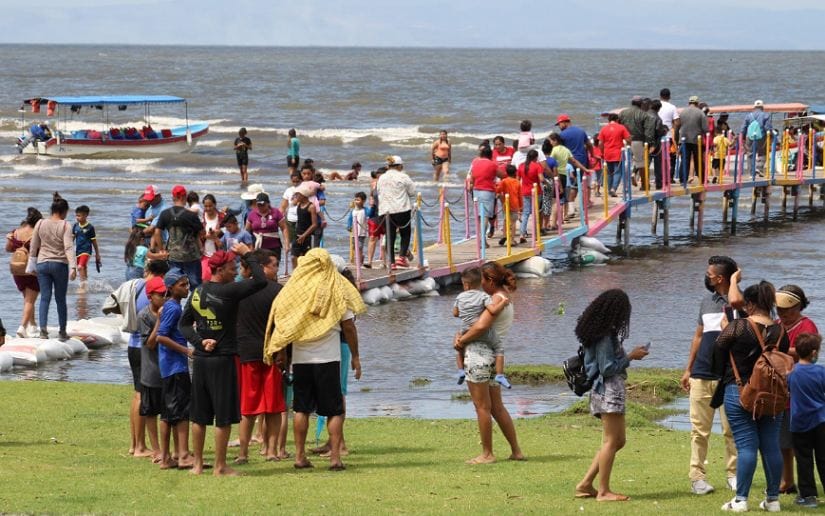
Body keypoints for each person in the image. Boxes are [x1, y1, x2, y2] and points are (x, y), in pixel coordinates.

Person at [263, 248, 365, 471]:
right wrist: (356, 356)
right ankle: (335, 458)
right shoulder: (336, 287)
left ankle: (299, 457)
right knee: (334, 410)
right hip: (328, 359)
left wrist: (281, 352)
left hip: (301, 359)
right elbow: (348, 326)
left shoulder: (293, 291)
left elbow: (282, 322)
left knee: (301, 409)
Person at [179, 243, 266, 476]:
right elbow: (260, 280)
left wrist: (199, 342)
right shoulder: (229, 292)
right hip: (223, 359)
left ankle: (197, 466)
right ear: (219, 270)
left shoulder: (198, 291)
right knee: (223, 416)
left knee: (199, 415)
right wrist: (248, 253)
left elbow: (184, 324)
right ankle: (219, 466)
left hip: (201, 361)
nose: (236, 272)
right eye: (232, 268)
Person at [713, 281, 791, 512]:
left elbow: (717, 352)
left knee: (746, 446)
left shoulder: (738, 327)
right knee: (770, 446)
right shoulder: (781, 331)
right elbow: (779, 359)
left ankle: (740, 500)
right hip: (772, 394)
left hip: (739, 391)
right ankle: (773, 500)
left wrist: (725, 329)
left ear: (751, 304)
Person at [574, 289, 649, 501]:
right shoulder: (604, 335)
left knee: (619, 440)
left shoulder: (598, 332)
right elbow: (607, 368)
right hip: (608, 389)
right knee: (611, 441)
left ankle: (586, 484)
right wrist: (631, 357)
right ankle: (603, 491)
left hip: (605, 390)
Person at [680, 256, 742, 495]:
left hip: (728, 376)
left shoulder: (741, 302)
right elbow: (698, 336)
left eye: (709, 274)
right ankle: (697, 478)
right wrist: (688, 369)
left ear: (720, 278)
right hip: (701, 374)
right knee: (699, 431)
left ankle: (733, 475)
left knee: (732, 430)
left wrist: (736, 281)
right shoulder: (706, 301)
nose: (706, 277)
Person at [454, 262, 523, 464]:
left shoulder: (494, 299)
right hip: (494, 354)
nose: (481, 285)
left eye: (483, 281)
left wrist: (461, 341)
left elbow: (481, 325)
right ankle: (516, 450)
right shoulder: (504, 298)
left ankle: (487, 453)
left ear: (490, 280)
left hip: (479, 354)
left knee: (482, 407)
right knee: (496, 407)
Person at [231, 249, 284, 464]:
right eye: (274, 266)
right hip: (271, 352)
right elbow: (283, 326)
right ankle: (271, 450)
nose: (277, 269)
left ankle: (243, 453)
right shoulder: (279, 291)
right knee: (273, 406)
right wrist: (282, 351)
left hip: (246, 352)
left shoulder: (239, 289)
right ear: (262, 267)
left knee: (248, 408)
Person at [776, 285, 819, 495]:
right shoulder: (776, 325)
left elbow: (808, 353)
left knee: (802, 444)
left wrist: (777, 349)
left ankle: (802, 486)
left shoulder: (807, 325)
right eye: (779, 310)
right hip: (779, 391)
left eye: (787, 311)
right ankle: (788, 480)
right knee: (783, 441)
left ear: (799, 307)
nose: (783, 314)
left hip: (798, 394)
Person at [154, 270, 194, 470]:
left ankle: (169, 455)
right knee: (181, 411)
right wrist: (186, 350)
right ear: (171, 288)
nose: (186, 288)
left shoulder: (172, 306)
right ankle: (183, 454)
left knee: (169, 413)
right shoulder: (173, 308)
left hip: (169, 366)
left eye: (187, 284)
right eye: (182, 285)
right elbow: (161, 336)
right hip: (175, 366)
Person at [29, 192, 76, 341]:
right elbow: (68, 247)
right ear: (64, 211)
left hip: (42, 264)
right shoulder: (65, 225)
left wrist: (32, 264)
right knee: (60, 299)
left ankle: (43, 331)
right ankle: (62, 332)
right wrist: (73, 267)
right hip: (59, 265)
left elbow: (34, 245)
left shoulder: (40, 223)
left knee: (45, 298)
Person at [453, 267, 510, 388]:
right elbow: (493, 311)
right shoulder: (484, 296)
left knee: (458, 349)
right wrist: (503, 303)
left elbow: (455, 313)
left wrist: (461, 339)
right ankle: (500, 375)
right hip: (483, 335)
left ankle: (460, 371)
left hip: (465, 329)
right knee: (499, 348)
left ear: (466, 285)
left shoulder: (459, 297)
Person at [787, 333, 825, 508]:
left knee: (804, 460)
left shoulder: (792, 373)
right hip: (821, 421)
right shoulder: (821, 371)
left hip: (799, 423)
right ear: (813, 353)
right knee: (823, 458)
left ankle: (808, 496)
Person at [136, 273, 168, 462]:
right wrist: (159, 322)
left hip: (168, 369)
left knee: (169, 411)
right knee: (150, 412)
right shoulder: (145, 315)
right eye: (160, 294)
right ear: (150, 296)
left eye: (166, 293)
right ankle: (156, 449)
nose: (164, 297)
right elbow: (150, 343)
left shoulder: (170, 310)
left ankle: (166, 449)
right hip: (151, 371)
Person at [152, 185, 204, 291]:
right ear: (184, 197)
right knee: (196, 287)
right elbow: (201, 232)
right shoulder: (191, 215)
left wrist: (162, 250)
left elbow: (157, 232)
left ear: (173, 197)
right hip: (191, 257)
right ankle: (195, 306)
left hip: (173, 256)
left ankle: (173, 306)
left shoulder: (165, 214)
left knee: (173, 285)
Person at [6, 207, 42, 338]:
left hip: (17, 269)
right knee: (30, 301)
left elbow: (8, 249)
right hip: (32, 270)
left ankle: (32, 326)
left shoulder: (15, 232)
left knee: (27, 299)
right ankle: (22, 327)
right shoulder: (37, 233)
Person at [377, 155, 415, 269]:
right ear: (399, 166)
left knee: (390, 236)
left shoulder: (382, 178)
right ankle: (402, 257)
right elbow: (412, 192)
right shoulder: (403, 177)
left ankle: (392, 262)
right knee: (405, 233)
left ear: (388, 166)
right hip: (401, 209)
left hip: (385, 211)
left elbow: (378, 191)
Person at [620, 96, 655, 188]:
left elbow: (619, 125)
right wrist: (649, 143)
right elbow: (649, 131)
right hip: (638, 141)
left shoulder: (623, 113)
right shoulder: (644, 115)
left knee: (626, 162)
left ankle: (625, 184)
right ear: (641, 104)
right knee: (641, 163)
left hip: (624, 140)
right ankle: (644, 184)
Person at [245, 192, 289, 264]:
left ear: (268, 203)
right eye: (258, 204)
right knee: (260, 270)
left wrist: (286, 244)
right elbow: (247, 231)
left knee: (273, 269)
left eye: (263, 204)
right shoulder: (252, 214)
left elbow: (284, 228)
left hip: (274, 247)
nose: (260, 206)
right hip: (258, 248)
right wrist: (249, 247)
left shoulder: (276, 212)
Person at [468, 146, 498, 246]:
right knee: (485, 216)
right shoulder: (492, 164)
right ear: (490, 154)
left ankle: (480, 239)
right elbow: (501, 175)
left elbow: (472, 179)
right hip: (487, 191)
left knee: (479, 216)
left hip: (476, 191)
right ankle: (482, 240)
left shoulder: (475, 163)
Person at [598, 114, 631, 197]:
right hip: (618, 153)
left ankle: (609, 190)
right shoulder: (621, 127)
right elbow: (628, 139)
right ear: (617, 119)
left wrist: (602, 152)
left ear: (608, 120)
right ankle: (613, 188)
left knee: (609, 173)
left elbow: (600, 143)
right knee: (618, 172)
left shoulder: (604, 129)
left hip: (607, 153)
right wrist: (627, 144)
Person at [680, 96, 709, 184]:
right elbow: (705, 128)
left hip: (684, 139)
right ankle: (702, 179)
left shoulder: (682, 112)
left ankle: (682, 179)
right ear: (697, 103)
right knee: (698, 160)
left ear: (689, 103)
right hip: (696, 140)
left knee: (685, 159)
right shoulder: (700, 113)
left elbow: (678, 125)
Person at [517, 149, 544, 243]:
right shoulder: (537, 166)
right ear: (536, 157)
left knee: (525, 213)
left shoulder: (521, 166)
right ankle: (536, 234)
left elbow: (517, 179)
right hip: (536, 191)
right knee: (536, 213)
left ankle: (522, 234)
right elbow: (541, 179)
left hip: (524, 192)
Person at [741, 100, 773, 175]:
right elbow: (768, 127)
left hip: (750, 136)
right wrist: (771, 135)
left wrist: (742, 137)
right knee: (762, 153)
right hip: (761, 136)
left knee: (750, 154)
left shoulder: (748, 115)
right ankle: (759, 167)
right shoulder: (766, 115)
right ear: (762, 107)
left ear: (754, 107)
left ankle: (751, 172)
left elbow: (743, 127)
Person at [291, 185, 319, 268]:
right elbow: (292, 202)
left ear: (303, 195)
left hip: (306, 236)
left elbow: (314, 224)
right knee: (294, 257)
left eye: (298, 195)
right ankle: (295, 274)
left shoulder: (311, 207)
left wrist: (304, 235)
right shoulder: (299, 204)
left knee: (305, 257)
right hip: (297, 234)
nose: (296, 196)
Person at [71, 205, 100, 285]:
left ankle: (82, 287)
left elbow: (94, 241)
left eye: (79, 216)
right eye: (76, 215)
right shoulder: (75, 226)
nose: (77, 217)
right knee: (83, 268)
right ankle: (85, 285)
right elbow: (72, 239)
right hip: (78, 252)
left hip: (86, 251)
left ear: (86, 215)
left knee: (80, 267)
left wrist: (97, 254)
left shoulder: (90, 227)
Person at [364, 167, 386, 269]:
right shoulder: (374, 184)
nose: (380, 178)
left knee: (387, 239)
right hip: (375, 214)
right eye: (378, 176)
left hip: (387, 213)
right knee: (372, 237)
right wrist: (371, 202)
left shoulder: (389, 185)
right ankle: (369, 262)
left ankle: (385, 262)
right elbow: (371, 195)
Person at [495, 165, 522, 246]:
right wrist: (521, 206)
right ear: (515, 172)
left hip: (506, 203)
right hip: (515, 204)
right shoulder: (517, 182)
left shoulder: (504, 181)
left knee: (506, 220)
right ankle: (512, 240)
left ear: (506, 172)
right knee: (513, 222)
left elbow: (498, 189)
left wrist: (497, 191)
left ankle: (505, 235)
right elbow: (520, 195)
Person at [659, 88, 682, 181]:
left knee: (659, 159)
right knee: (671, 158)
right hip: (668, 136)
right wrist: (676, 136)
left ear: (660, 96)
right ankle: (669, 177)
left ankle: (660, 177)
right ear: (669, 96)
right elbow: (677, 122)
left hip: (658, 137)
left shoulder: (656, 106)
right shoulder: (672, 107)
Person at [200, 194, 223, 281]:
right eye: (206, 206)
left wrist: (219, 232)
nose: (208, 208)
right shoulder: (201, 217)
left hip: (218, 253)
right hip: (205, 254)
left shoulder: (221, 217)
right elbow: (198, 235)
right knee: (205, 279)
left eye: (210, 206)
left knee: (218, 279)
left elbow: (228, 232)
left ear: (215, 204)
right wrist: (206, 236)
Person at [351, 192, 368, 262]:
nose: (356, 201)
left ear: (363, 201)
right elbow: (350, 219)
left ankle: (359, 260)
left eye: (358, 200)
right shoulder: (353, 210)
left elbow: (370, 214)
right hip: (354, 232)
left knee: (359, 247)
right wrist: (349, 225)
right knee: (354, 247)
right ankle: (358, 258)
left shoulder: (365, 210)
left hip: (362, 232)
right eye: (355, 200)